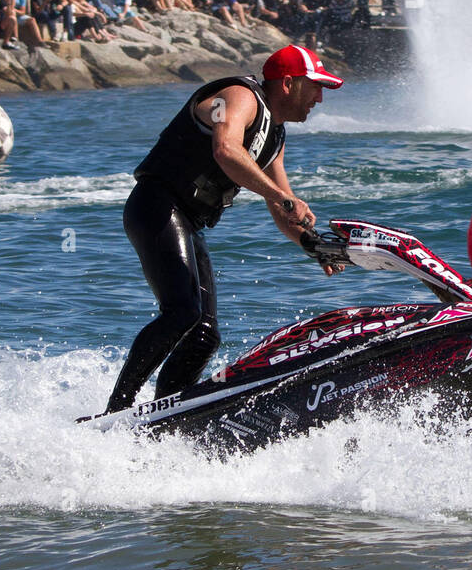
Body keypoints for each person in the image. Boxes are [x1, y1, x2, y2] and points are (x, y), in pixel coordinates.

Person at [103, 44, 344, 413]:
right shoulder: (239, 97)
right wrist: (281, 196)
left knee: (203, 334)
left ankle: (167, 412)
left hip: (186, 220)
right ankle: (117, 409)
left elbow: (284, 209)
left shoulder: (274, 136)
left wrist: (311, 244)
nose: (320, 99)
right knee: (181, 312)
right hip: (156, 206)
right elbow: (226, 150)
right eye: (315, 87)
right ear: (287, 84)